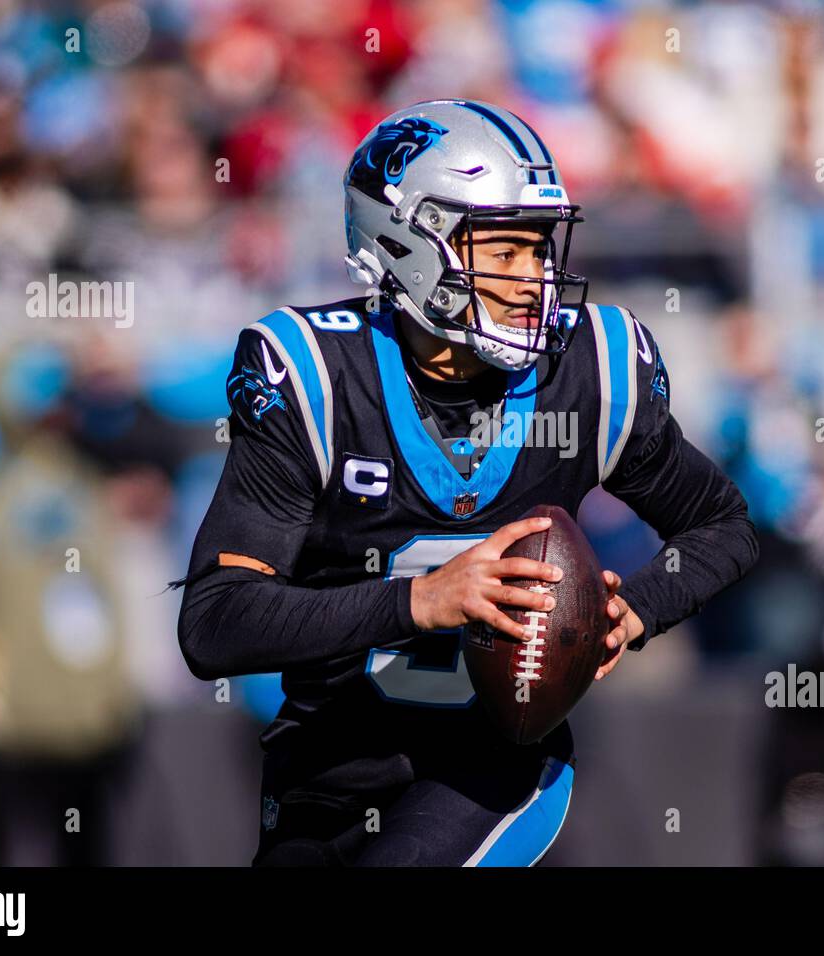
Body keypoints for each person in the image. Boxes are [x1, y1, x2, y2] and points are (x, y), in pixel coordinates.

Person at [175, 100, 759, 866]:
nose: (533, 280)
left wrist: (635, 610)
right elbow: (215, 623)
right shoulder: (317, 376)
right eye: (504, 251)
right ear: (406, 244)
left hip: (493, 768)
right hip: (323, 768)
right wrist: (420, 601)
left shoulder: (586, 371)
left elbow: (723, 526)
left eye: (539, 249)